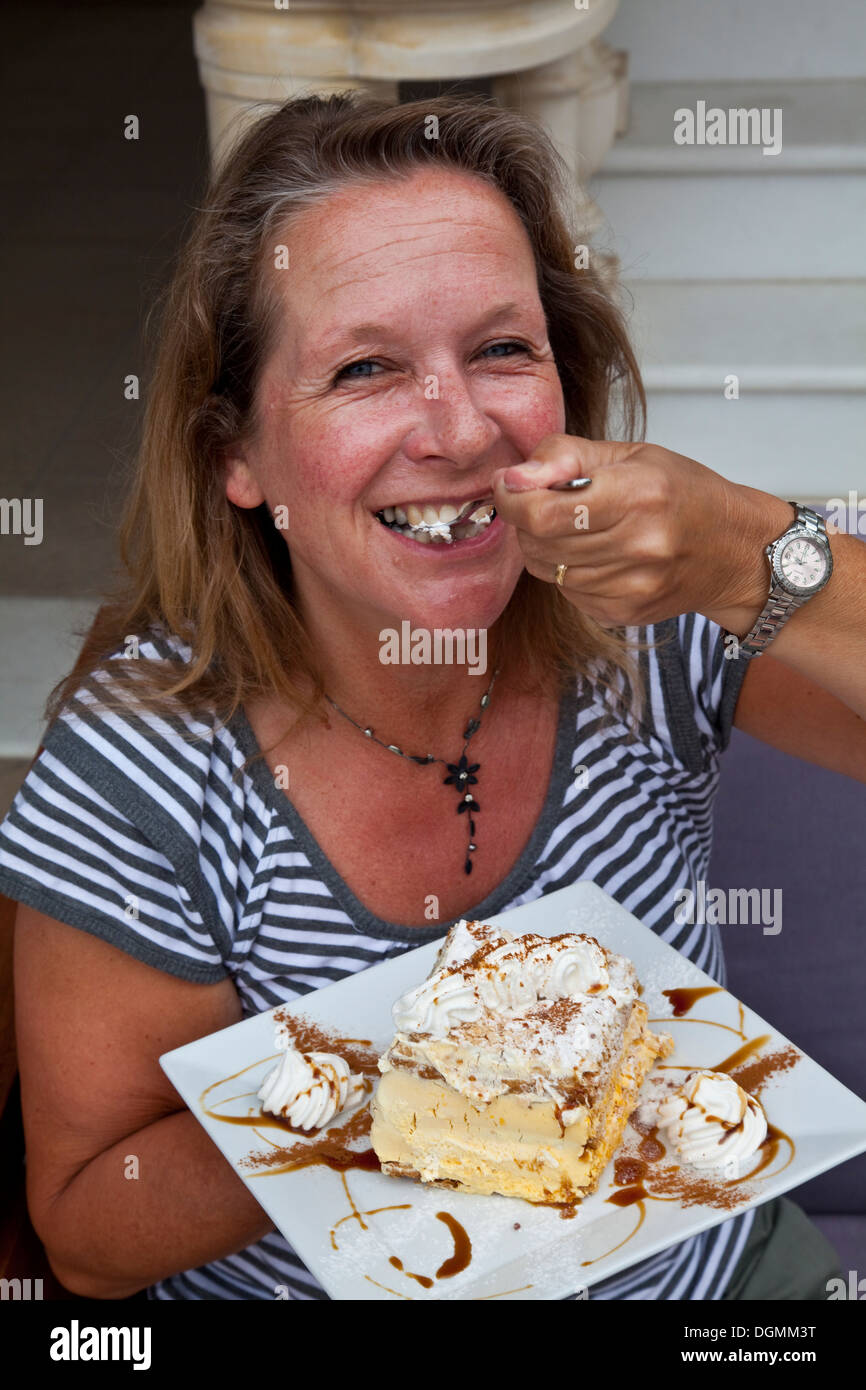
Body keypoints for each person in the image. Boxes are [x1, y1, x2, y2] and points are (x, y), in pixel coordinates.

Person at [1, 93, 862, 1302]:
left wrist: (751, 547)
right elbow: (90, 1230)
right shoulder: (143, 770)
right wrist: (395, 1084)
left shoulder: (650, 614)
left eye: (502, 350)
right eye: (364, 368)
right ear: (232, 456)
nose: (456, 430)